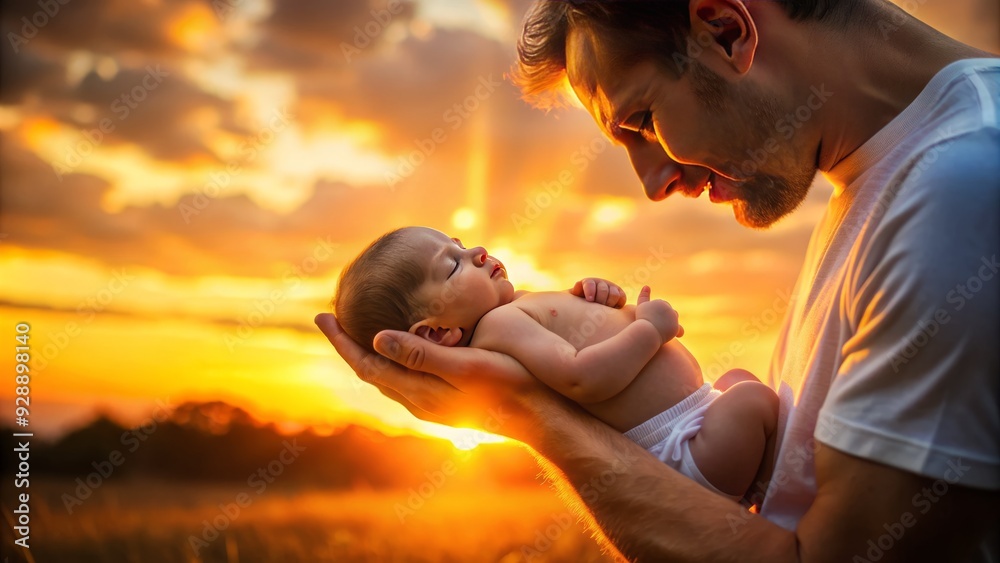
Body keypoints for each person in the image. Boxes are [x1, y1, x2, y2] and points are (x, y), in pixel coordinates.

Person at [317, 0, 1000, 560]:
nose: (653, 183)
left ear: (727, 30)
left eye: (642, 119)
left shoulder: (956, 193)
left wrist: (528, 414)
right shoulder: (899, 176)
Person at [334, 226, 779, 501]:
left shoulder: (514, 308)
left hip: (696, 419)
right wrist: (650, 330)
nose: (479, 252)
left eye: (462, 244)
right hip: (679, 451)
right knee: (753, 399)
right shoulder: (499, 328)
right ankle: (771, 499)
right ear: (434, 333)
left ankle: (755, 496)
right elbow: (583, 377)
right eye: (452, 265)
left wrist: (597, 295)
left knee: (740, 383)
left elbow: (576, 327)